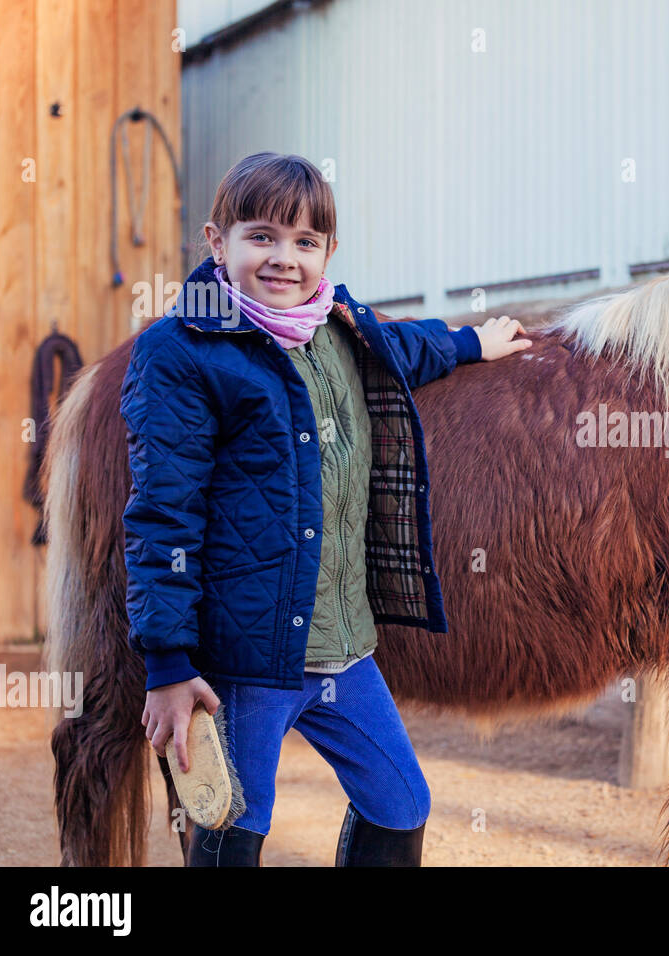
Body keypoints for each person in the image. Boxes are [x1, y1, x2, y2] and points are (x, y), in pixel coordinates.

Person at [122, 152, 531, 866]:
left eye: (305, 243)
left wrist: (469, 342)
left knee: (402, 803)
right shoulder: (182, 353)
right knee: (231, 827)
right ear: (217, 243)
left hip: (346, 648)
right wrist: (165, 662)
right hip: (249, 660)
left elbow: (407, 346)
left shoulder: (342, 330)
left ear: (328, 254)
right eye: (262, 238)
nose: (285, 259)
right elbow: (163, 516)